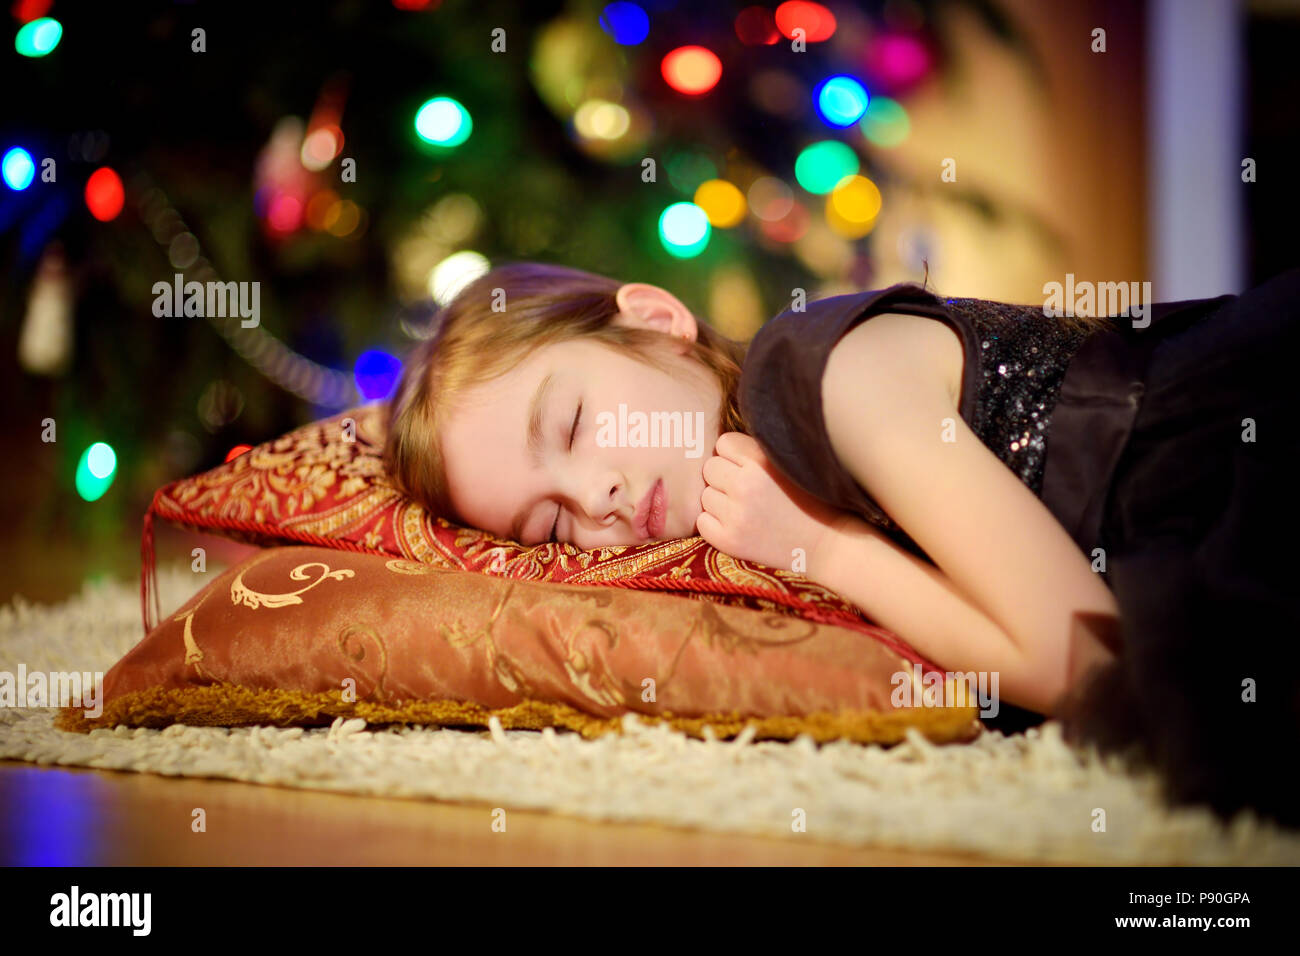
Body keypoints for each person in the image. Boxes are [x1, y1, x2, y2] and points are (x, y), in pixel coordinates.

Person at [383, 260, 1300, 829]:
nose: (598, 499)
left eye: (577, 422)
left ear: (657, 322)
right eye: (552, 525)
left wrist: (829, 550)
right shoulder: (726, 543)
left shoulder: (819, 373)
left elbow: (1086, 657)